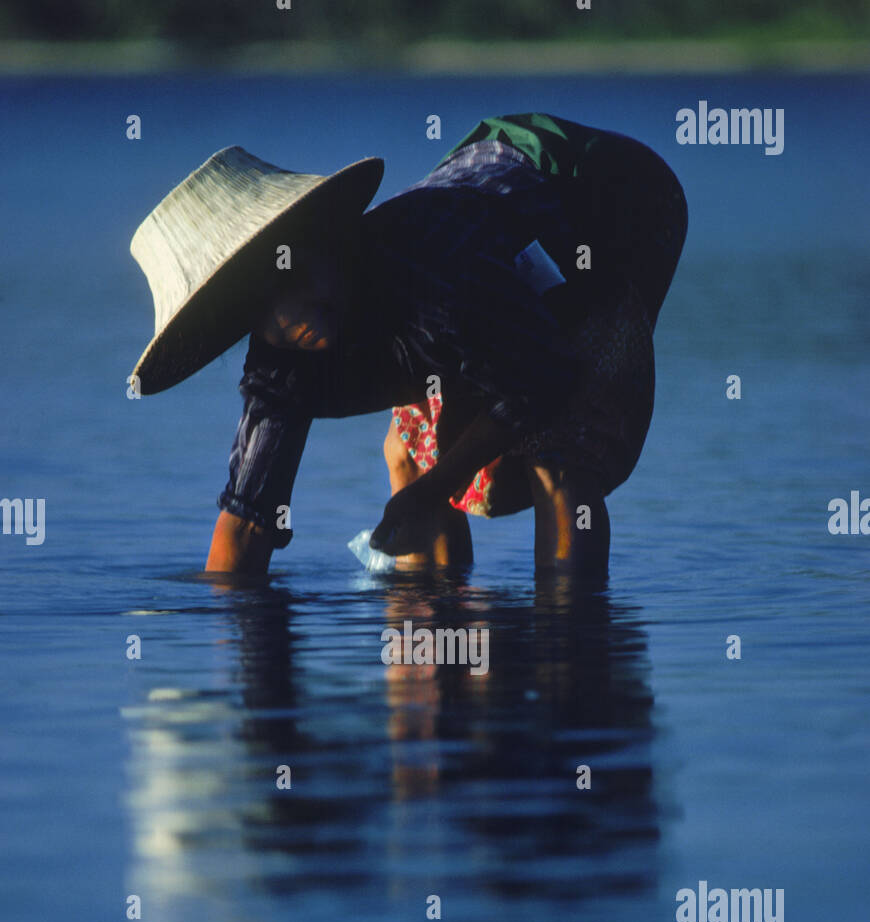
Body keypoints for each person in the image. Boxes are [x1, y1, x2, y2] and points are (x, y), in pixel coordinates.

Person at [130, 114, 687, 581]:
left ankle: (572, 655)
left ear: (327, 239)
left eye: (302, 270)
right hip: (479, 261)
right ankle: (437, 649)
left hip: (603, 201)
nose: (298, 308)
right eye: (267, 303)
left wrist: (441, 485)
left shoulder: (437, 270)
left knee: (555, 452)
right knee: (408, 451)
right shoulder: (280, 365)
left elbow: (540, 378)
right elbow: (246, 521)